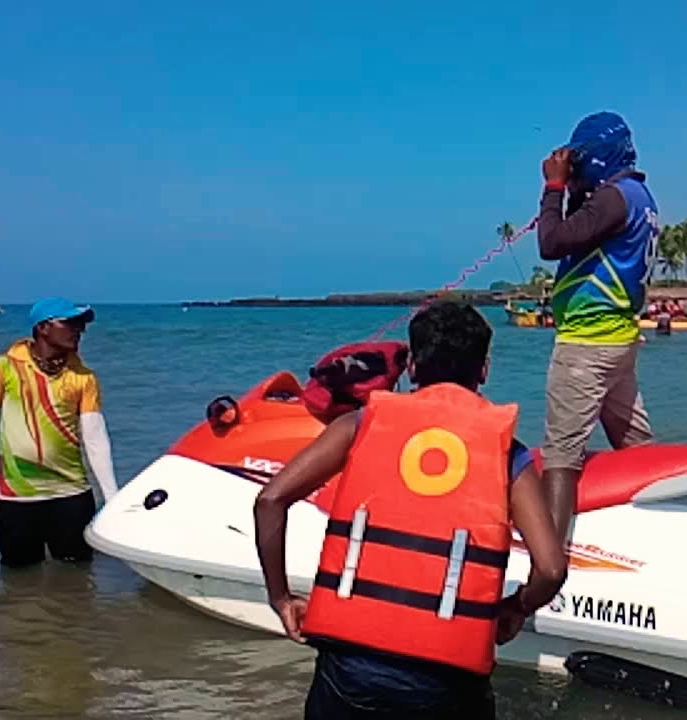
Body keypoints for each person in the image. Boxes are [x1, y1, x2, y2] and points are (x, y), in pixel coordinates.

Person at [254, 302, 567, 720]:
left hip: (350, 672)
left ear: (414, 368)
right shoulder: (507, 455)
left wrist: (280, 598)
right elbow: (550, 569)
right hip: (447, 683)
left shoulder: (358, 426)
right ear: (485, 370)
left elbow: (270, 501)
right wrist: (515, 608)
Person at [536, 110, 658, 540]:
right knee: (635, 445)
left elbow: (552, 242)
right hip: (617, 342)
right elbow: (576, 233)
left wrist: (552, 187)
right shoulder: (636, 196)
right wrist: (572, 188)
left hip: (587, 345)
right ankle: (654, 527)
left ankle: (549, 564)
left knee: (561, 456)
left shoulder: (612, 199)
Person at [0, 297, 119, 566]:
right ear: (43, 328)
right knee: (18, 584)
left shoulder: (84, 378)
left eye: (81, 324)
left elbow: (95, 440)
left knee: (78, 581)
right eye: (70, 323)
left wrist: (112, 499)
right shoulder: (2, 368)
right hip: (16, 499)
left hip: (71, 497)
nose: (79, 330)